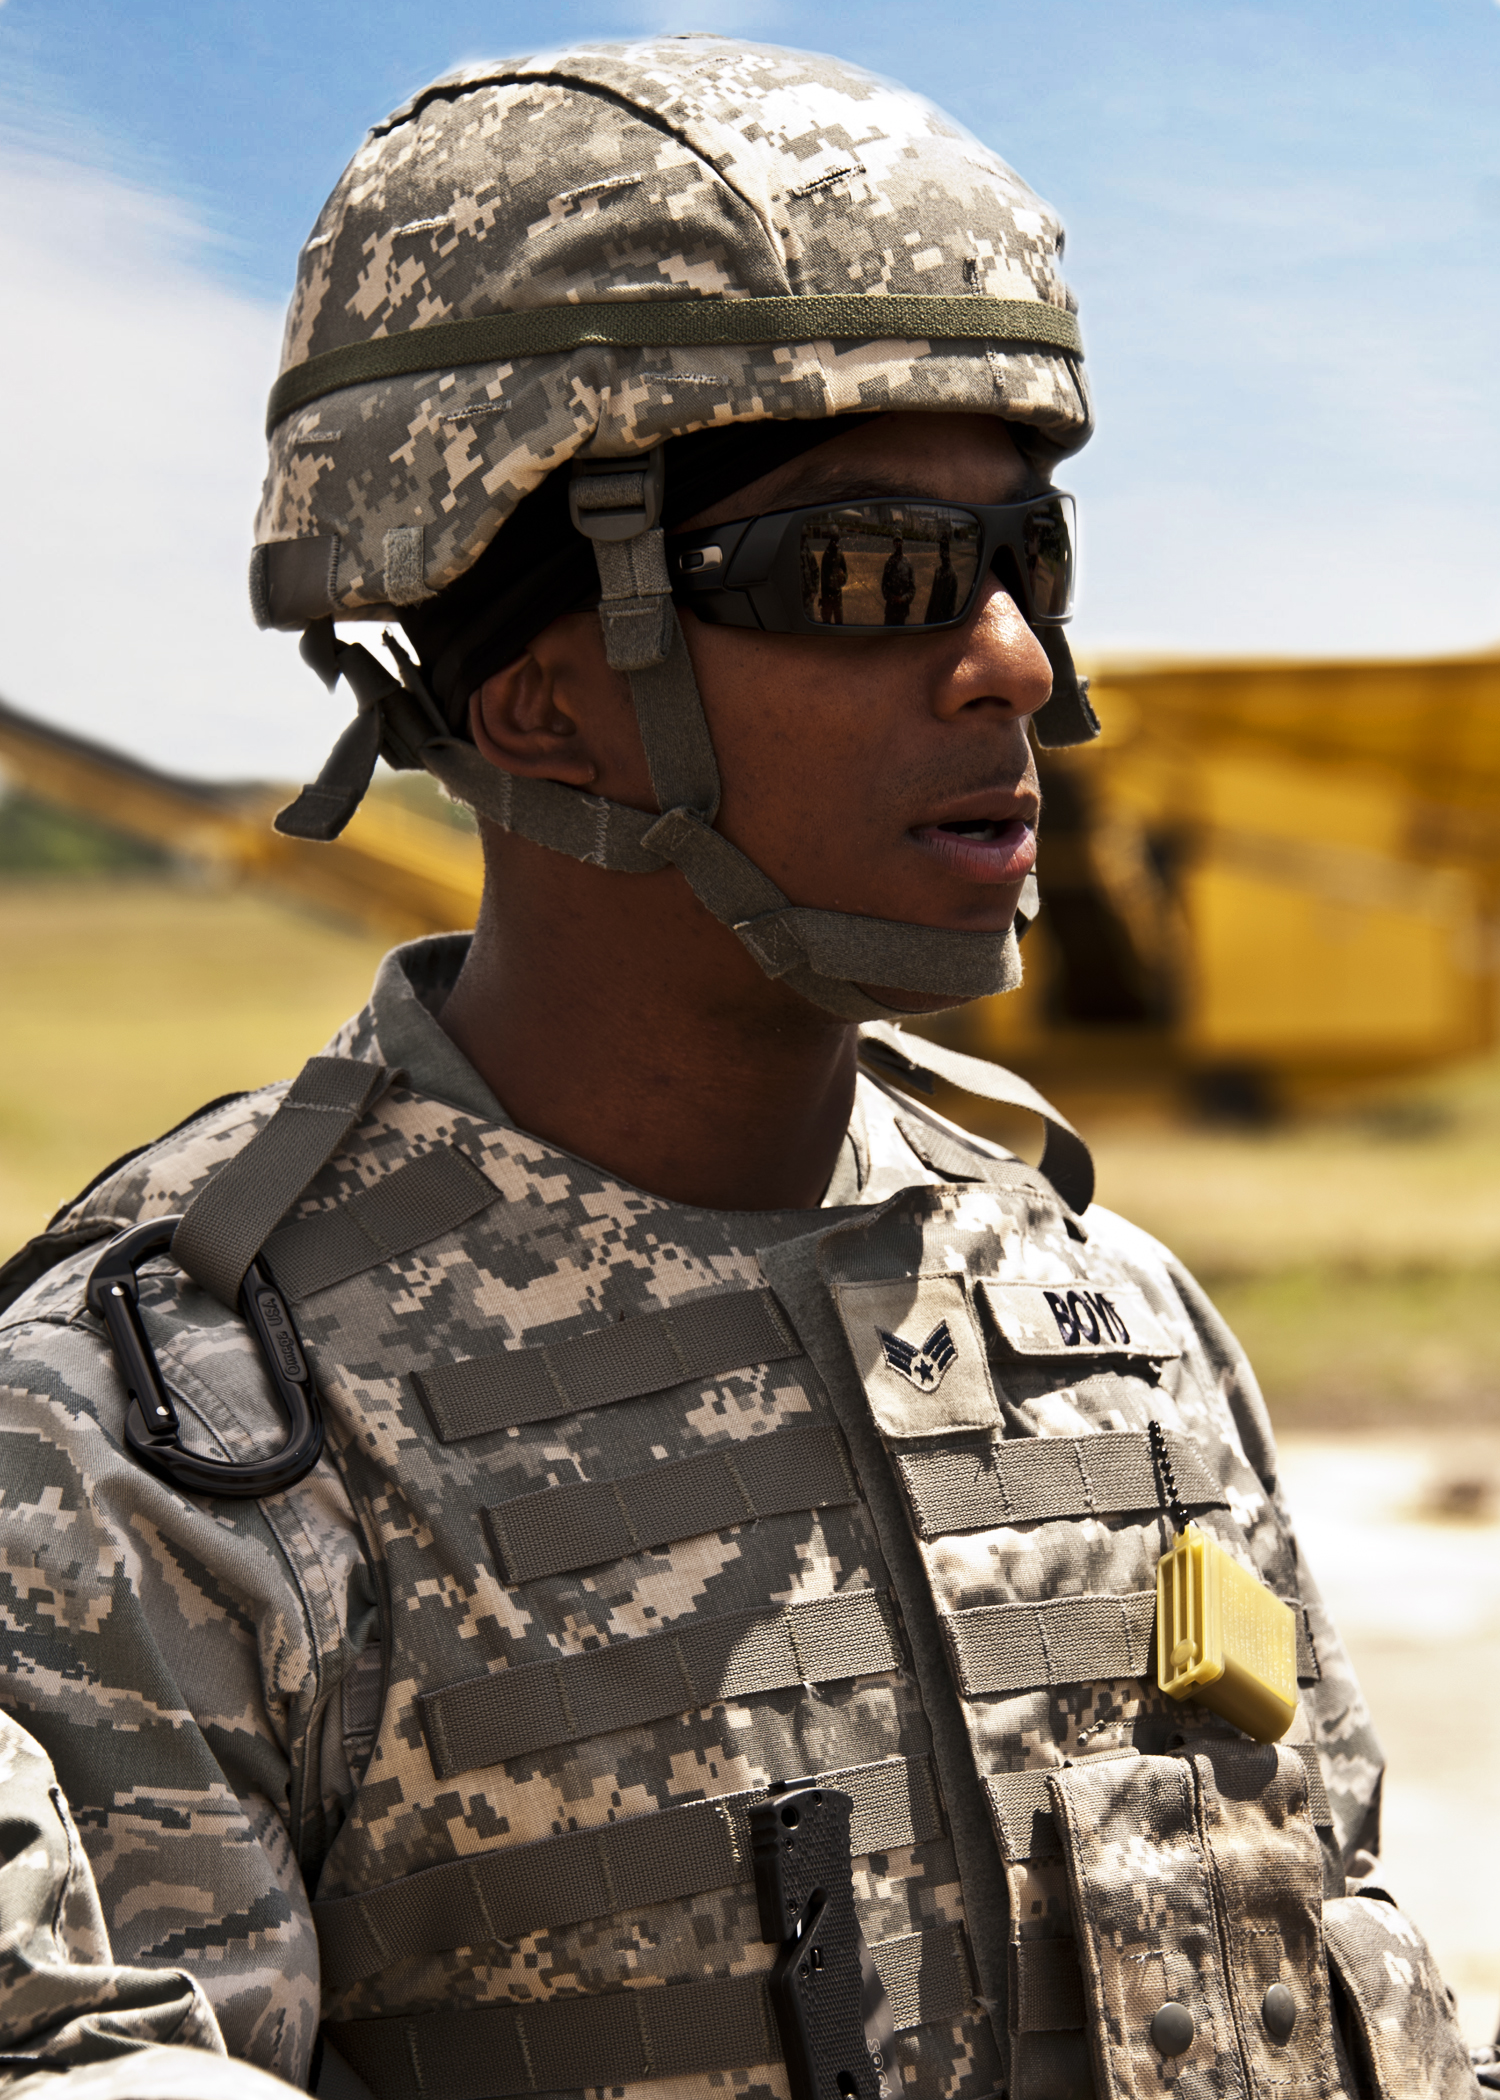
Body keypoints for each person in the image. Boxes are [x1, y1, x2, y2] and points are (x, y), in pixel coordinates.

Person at [0, 33, 1483, 2100]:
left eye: (1029, 561)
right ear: (537, 705)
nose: (1019, 666)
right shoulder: (165, 1448)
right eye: (873, 576)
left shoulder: (1113, 1331)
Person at [923, 532, 962, 624]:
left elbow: (951, 606)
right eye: (941, 550)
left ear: (948, 552)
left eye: (944, 550)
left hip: (942, 620)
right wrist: (927, 620)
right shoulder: (938, 571)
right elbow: (932, 598)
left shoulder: (952, 575)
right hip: (933, 619)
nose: (942, 553)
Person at [881, 534, 917, 624]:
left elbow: (912, 588)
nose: (898, 544)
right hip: (890, 610)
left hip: (903, 612)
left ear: (902, 543)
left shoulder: (908, 564)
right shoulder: (889, 563)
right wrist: (892, 597)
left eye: (899, 541)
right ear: (893, 543)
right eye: (896, 541)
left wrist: (903, 599)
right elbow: (884, 586)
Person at [819, 528, 848, 623]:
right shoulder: (826, 555)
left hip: (837, 594)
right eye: (833, 540)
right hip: (827, 594)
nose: (834, 543)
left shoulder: (840, 555)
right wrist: (824, 598)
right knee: (826, 621)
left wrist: (843, 577)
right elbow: (823, 578)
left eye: (836, 540)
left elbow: (845, 572)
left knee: (839, 620)